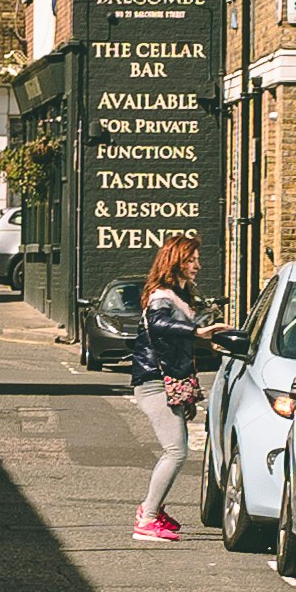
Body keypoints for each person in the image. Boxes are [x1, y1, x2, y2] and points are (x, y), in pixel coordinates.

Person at [122, 231, 219, 541]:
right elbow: (159, 324)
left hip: (164, 380)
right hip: (154, 382)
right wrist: (198, 332)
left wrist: (208, 341)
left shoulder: (177, 295)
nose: (197, 265)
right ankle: (147, 518)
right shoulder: (162, 295)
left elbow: (173, 339)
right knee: (176, 451)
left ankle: (152, 510)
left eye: (197, 259)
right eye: (192, 260)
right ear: (176, 262)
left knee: (176, 450)